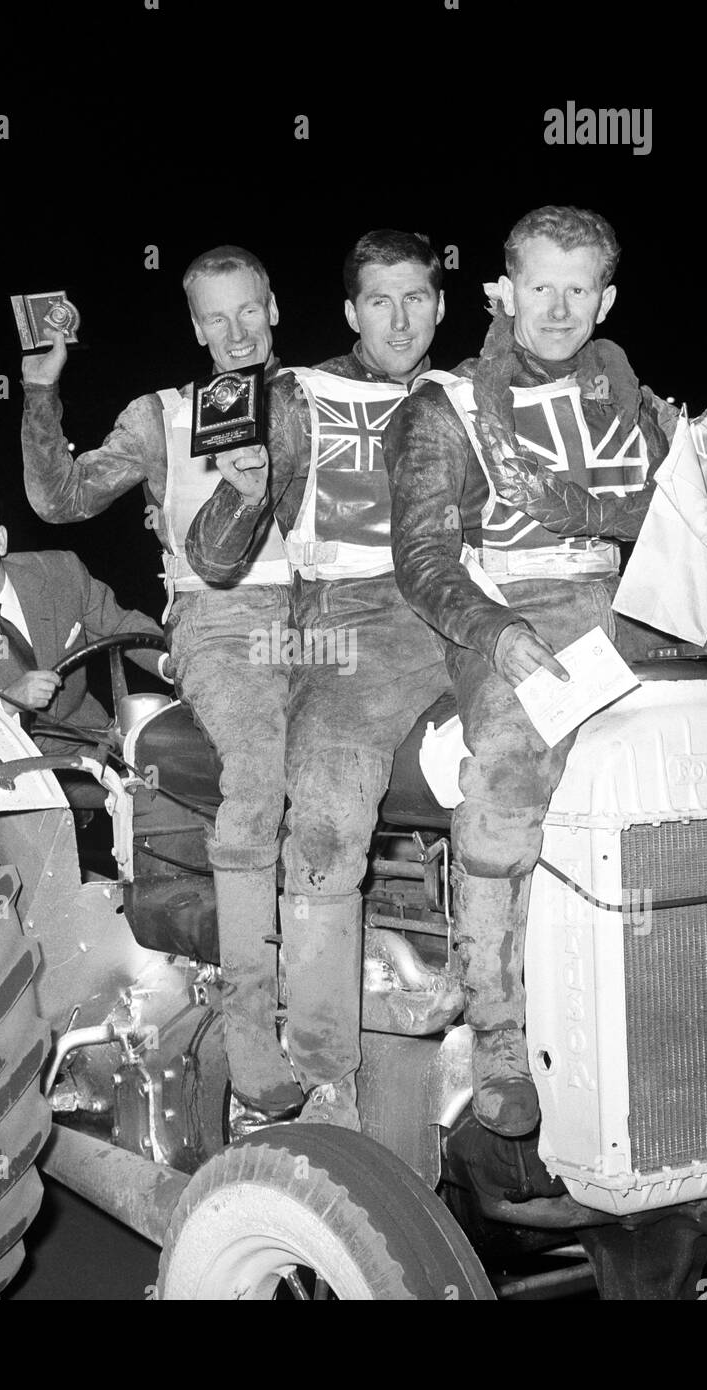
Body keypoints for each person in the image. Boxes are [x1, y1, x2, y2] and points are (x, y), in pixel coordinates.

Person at [385, 207, 707, 1137]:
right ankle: (500, 1032)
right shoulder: (446, 407)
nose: (558, 307)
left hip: (638, 617)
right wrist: (494, 632)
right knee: (507, 779)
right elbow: (423, 558)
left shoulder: (633, 401)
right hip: (518, 618)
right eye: (539, 285)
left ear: (607, 297)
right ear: (502, 291)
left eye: (579, 287)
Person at [21, 247, 305, 1126]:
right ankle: (254, 1021)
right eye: (214, 318)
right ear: (193, 328)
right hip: (222, 616)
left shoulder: (323, 397)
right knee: (260, 770)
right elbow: (59, 498)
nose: (235, 333)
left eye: (248, 310)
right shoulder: (161, 416)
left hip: (336, 615)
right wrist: (40, 392)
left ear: (275, 307)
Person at [185, 230, 457, 1129]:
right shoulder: (297, 399)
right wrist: (245, 485)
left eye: (417, 298)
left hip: (472, 612)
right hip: (356, 623)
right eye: (379, 301)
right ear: (349, 312)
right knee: (326, 800)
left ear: (442, 305)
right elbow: (215, 558)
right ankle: (316, 1068)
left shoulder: (471, 396)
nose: (401, 319)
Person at [0, 487, 169, 755]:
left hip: (98, 743)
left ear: (1, 539)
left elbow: (120, 625)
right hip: (10, 765)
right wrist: (6, 702)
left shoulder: (60, 572)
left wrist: (171, 664)